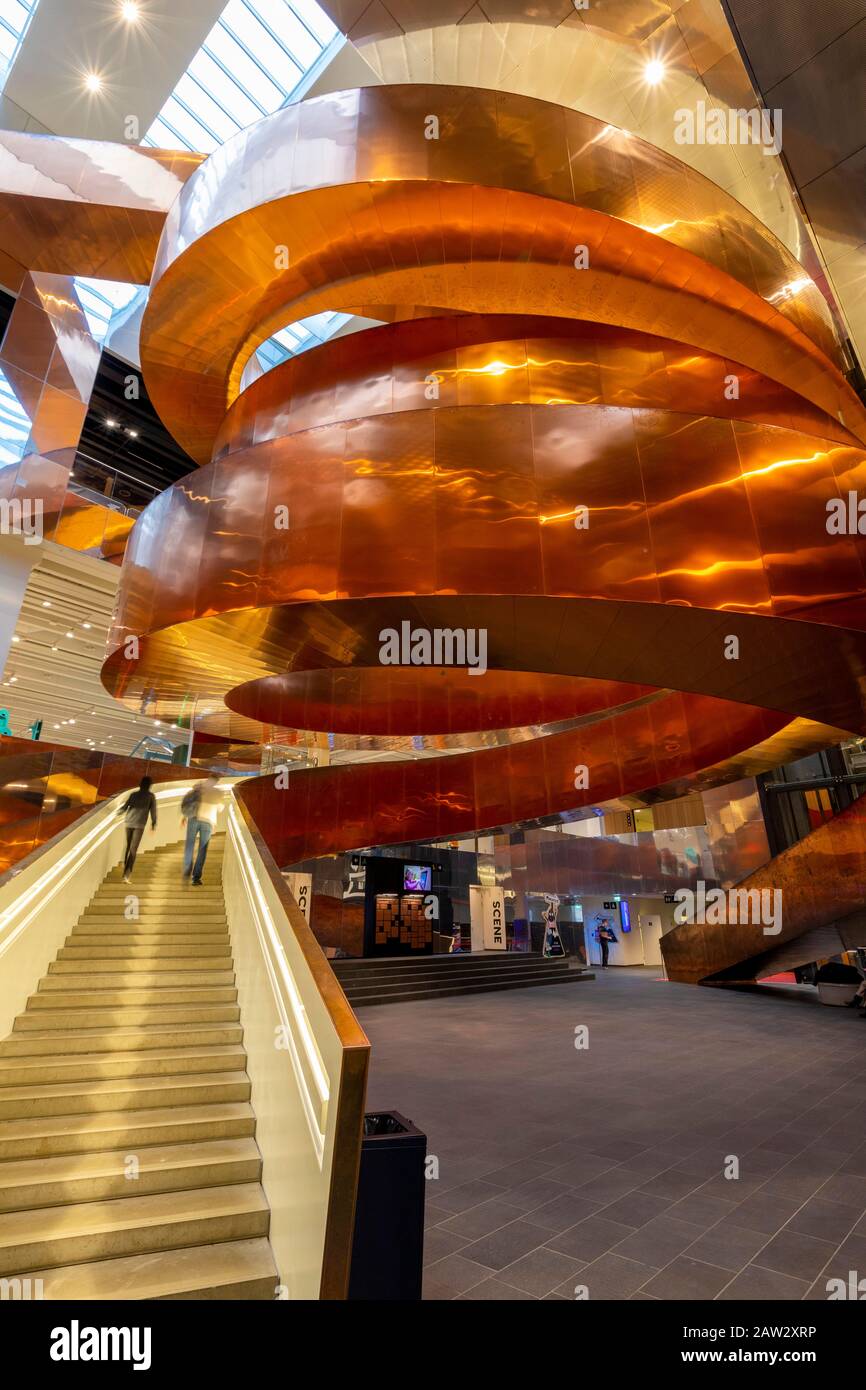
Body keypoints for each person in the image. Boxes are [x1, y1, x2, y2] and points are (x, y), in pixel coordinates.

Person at [183, 776, 222, 885]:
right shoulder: (217, 792)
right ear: (216, 781)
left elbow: (190, 802)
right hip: (208, 821)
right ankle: (196, 877)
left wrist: (184, 817)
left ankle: (187, 869)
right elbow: (220, 808)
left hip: (193, 819)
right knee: (202, 849)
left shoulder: (198, 788)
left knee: (190, 845)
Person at [118, 776, 157, 882]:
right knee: (133, 849)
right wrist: (153, 824)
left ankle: (125, 865)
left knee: (128, 846)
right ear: (150, 785)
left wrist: (118, 812)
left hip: (129, 822)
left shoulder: (133, 794)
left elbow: (125, 807)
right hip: (139, 825)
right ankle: (126, 874)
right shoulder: (151, 796)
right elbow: (153, 811)